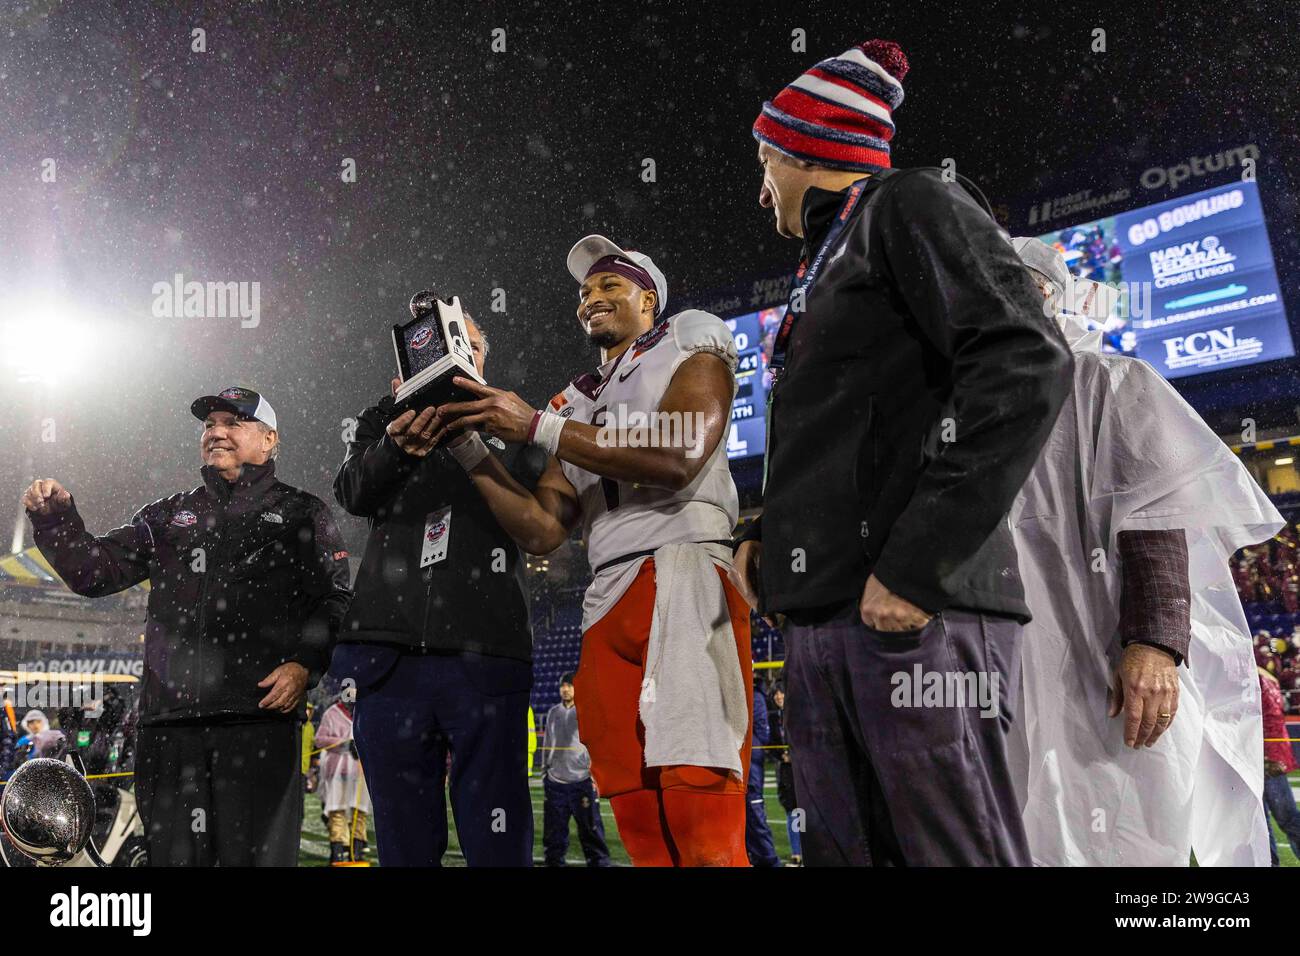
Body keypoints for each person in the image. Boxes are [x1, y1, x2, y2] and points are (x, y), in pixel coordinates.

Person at [730, 38, 1072, 866]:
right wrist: (768, 528)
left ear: (796, 148)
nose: (760, 183)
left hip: (911, 617)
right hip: (832, 619)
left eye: (763, 159)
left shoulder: (911, 202)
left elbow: (1026, 360)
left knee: (954, 854)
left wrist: (919, 565)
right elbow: (848, 427)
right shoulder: (826, 257)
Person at [433, 235, 753, 866]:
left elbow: (680, 454)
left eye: (610, 285)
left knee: (699, 796)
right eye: (584, 292)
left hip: (682, 564)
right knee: (634, 802)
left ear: (649, 298)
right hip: (606, 592)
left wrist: (535, 425)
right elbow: (543, 528)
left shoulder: (687, 335)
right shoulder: (575, 397)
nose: (592, 298)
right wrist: (469, 448)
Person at [1007, 237, 1284, 866]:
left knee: (1121, 828)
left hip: (1103, 659)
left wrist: (1155, 643)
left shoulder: (1106, 380)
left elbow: (1160, 513)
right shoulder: (974, 402)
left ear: (1045, 293)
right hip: (1011, 661)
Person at [24, 386, 351, 866]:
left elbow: (336, 598)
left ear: (269, 439)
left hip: (257, 723)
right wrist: (57, 522)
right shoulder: (166, 516)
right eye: (208, 424)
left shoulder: (304, 513)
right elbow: (94, 572)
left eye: (232, 422)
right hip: (168, 731)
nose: (216, 432)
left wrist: (305, 665)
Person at [330, 313, 547, 867]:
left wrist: (482, 435)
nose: (452, 354)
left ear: (482, 358)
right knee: (402, 847)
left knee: (499, 842)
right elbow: (352, 492)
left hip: (485, 654)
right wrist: (397, 440)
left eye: (466, 345)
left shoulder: (513, 416)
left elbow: (542, 517)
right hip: (390, 660)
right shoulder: (381, 421)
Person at [539, 673, 611, 867]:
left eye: (569, 685)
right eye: (563, 686)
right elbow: (548, 742)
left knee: (592, 835)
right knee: (554, 839)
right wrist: (546, 772)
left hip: (582, 782)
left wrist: (596, 773)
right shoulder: (553, 712)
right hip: (556, 784)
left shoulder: (587, 710)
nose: (565, 689)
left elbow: (597, 743)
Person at [313, 697, 372, 865]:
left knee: (359, 812)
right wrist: (344, 744)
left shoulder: (365, 713)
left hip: (360, 773)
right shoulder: (331, 714)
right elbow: (320, 739)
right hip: (338, 772)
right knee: (337, 811)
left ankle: (357, 852)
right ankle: (338, 852)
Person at [1259, 643, 1300, 865]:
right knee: (1267, 820)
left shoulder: (1256, 681)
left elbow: (1264, 722)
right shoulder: (1271, 680)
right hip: (1270, 753)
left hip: (1265, 756)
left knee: (1284, 817)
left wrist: (1267, 755)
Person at [745, 678, 779, 867]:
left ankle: (769, 861)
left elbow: (762, 732)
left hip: (751, 765)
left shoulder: (755, 695)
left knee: (755, 815)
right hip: (743, 764)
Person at [769, 684, 801, 865]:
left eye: (781, 692)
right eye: (776, 694)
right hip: (785, 770)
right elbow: (769, 742)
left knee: (802, 811)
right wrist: (782, 756)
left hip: (800, 767)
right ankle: (796, 851)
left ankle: (804, 848)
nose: (779, 696)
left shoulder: (797, 713)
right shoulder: (772, 718)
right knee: (791, 810)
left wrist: (796, 755)